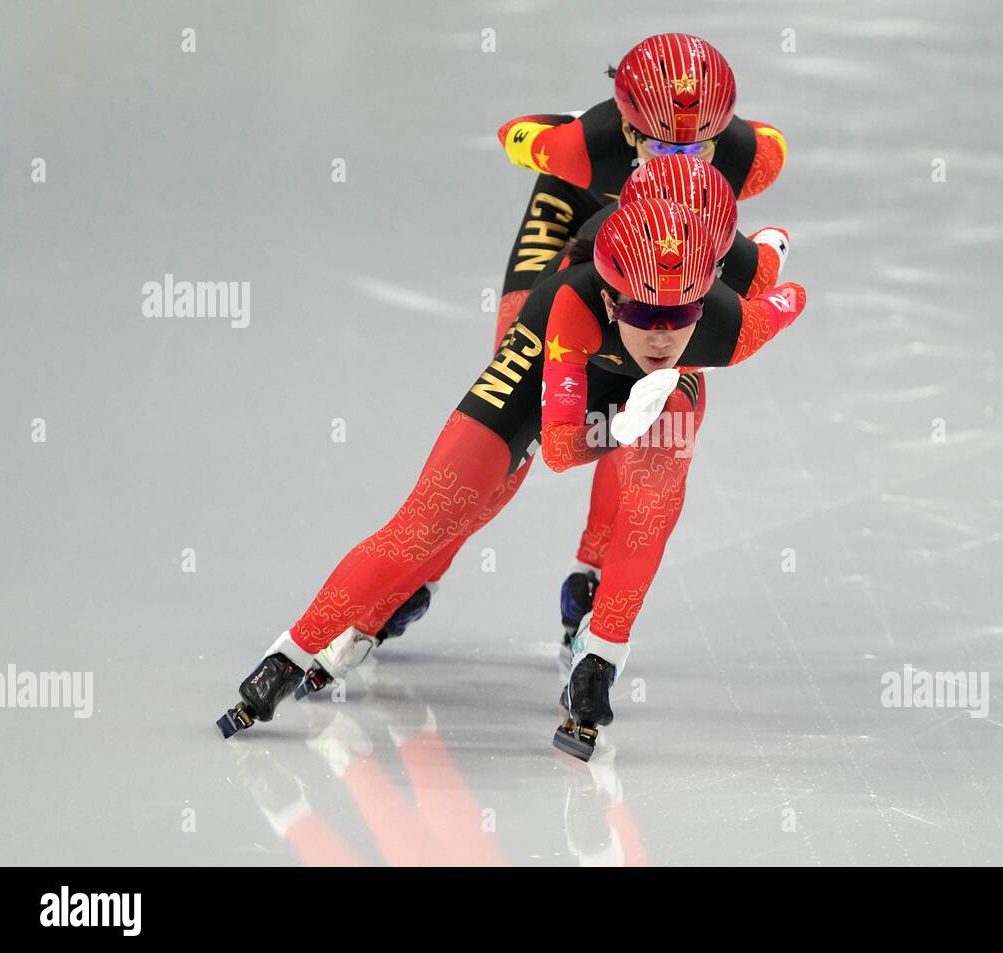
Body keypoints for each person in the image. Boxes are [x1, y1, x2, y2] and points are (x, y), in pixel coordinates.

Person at [216, 197, 804, 755]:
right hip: (542, 370)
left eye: (680, 315)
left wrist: (770, 245)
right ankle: (287, 654)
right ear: (609, 301)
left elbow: (787, 292)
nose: (660, 334)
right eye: (642, 313)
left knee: (654, 498)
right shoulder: (572, 305)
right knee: (431, 517)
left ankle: (598, 663)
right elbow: (562, 450)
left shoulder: (726, 328)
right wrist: (618, 428)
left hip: (659, 392)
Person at [300, 156, 787, 693]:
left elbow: (775, 281)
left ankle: (596, 616)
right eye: (652, 140)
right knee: (490, 474)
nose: (674, 149)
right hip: (568, 330)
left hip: (653, 356)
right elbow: (551, 426)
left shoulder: (724, 269)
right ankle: (409, 582)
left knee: (653, 482)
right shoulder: (585, 256)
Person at [493, 32, 788, 354]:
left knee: (672, 344)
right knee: (521, 344)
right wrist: (575, 123)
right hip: (575, 205)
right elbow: (512, 135)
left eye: (697, 148)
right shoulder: (583, 150)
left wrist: (766, 249)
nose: (678, 163)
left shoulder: (752, 162)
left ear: (719, 136)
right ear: (626, 130)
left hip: (678, 225)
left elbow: (760, 274)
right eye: (660, 146)